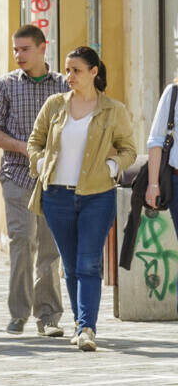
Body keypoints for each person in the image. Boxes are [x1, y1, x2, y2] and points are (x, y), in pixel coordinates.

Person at [27, 46, 136, 352]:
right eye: (66, 69)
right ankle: (80, 324)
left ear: (93, 72)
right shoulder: (55, 106)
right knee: (72, 266)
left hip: (97, 196)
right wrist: (39, 164)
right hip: (57, 196)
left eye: (75, 70)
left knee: (89, 263)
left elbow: (128, 148)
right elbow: (35, 142)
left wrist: (112, 167)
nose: (69, 76)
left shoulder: (113, 110)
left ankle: (87, 327)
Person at [0, 24, 68, 337]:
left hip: (55, 179)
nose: (18, 55)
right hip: (18, 176)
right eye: (15, 49)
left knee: (50, 247)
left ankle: (48, 316)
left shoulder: (62, 85)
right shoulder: (5, 85)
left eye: (25, 49)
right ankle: (18, 313)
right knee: (22, 242)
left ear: (43, 47)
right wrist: (26, 149)